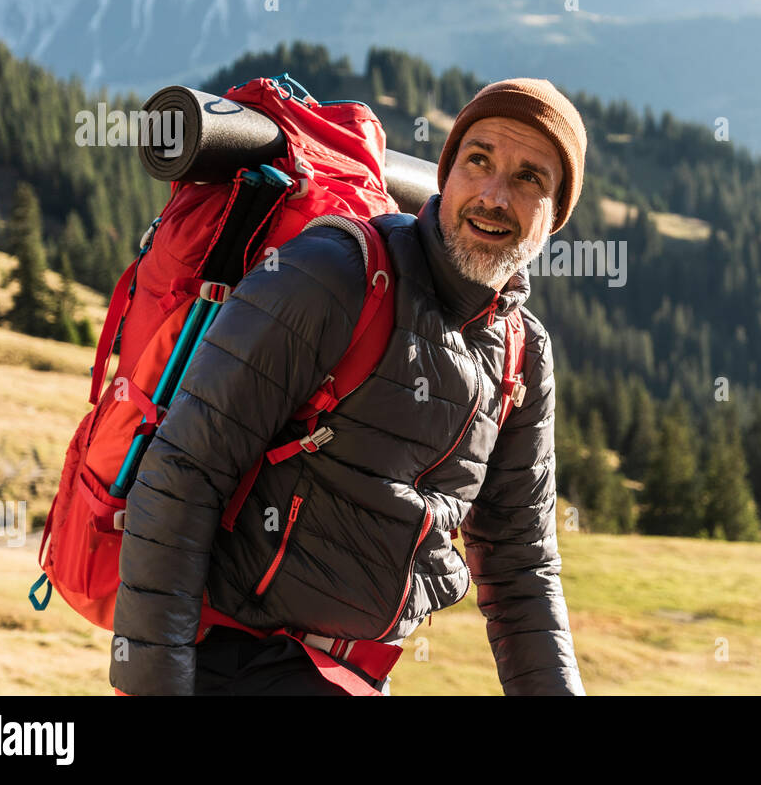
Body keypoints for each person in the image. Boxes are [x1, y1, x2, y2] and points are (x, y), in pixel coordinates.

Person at [108, 78, 588, 696]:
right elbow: (183, 470)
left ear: (554, 217)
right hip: (237, 661)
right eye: (479, 160)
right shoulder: (338, 274)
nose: (494, 195)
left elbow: (520, 568)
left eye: (530, 179)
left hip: (352, 677)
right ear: (446, 174)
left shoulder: (524, 354)